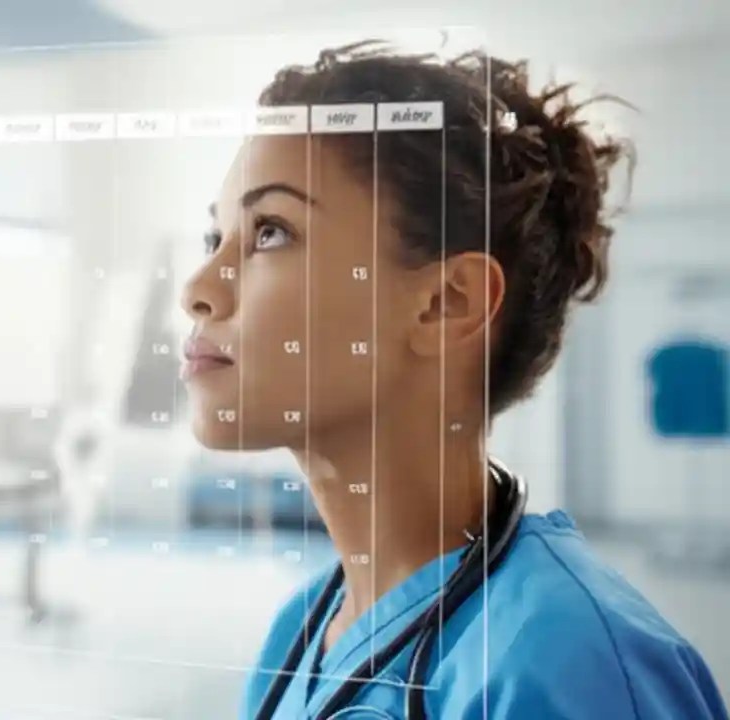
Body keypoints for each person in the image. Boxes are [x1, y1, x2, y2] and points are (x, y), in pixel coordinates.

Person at [177, 41, 729, 719]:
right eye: (215, 240)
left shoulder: (569, 665)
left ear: (447, 304)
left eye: (270, 232)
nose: (198, 289)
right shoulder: (296, 635)